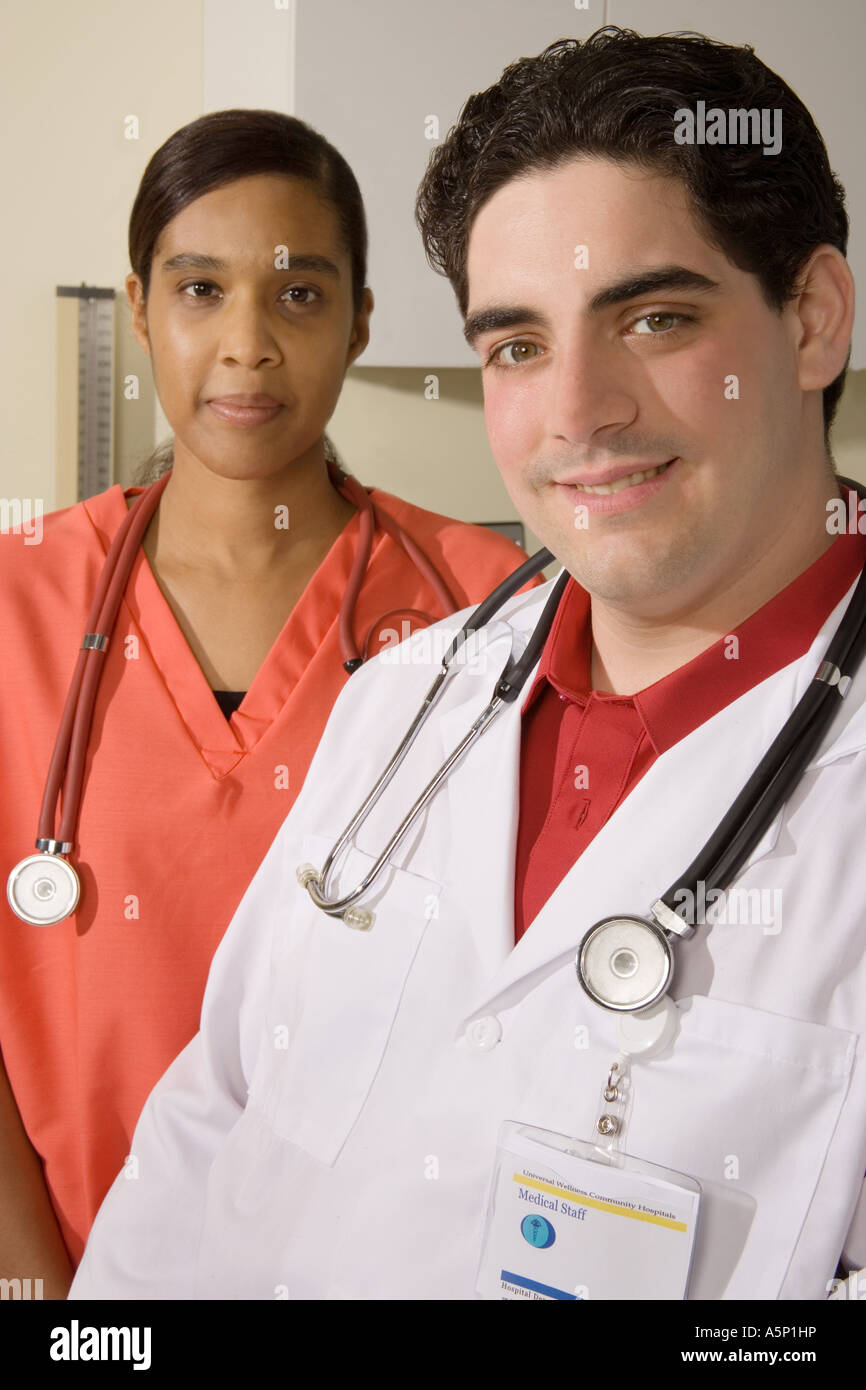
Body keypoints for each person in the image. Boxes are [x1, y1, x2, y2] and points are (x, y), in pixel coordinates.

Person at [71, 26, 865, 1301]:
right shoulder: (402, 701)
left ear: (811, 317)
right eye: (514, 347)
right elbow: (209, 1124)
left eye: (652, 318)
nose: (575, 411)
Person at [0, 107, 539, 1295]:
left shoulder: (489, 608)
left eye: (298, 296)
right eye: (200, 290)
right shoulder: (17, 603)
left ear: (359, 322)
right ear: (138, 308)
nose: (245, 345)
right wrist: (46, 1301)